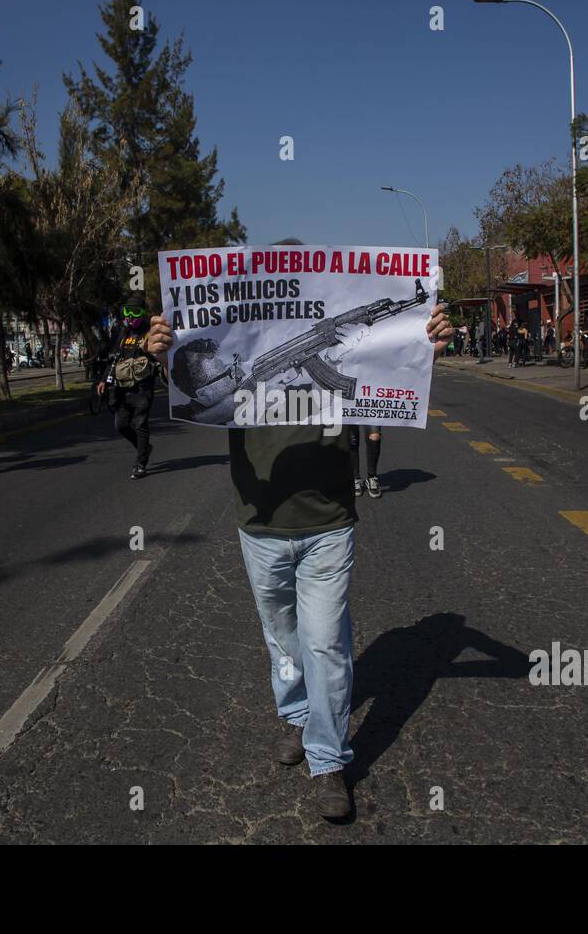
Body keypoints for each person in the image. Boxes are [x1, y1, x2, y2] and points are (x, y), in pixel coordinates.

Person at [141, 269, 453, 820]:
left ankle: (328, 759)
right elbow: (193, 398)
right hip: (260, 523)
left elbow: (384, 375)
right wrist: (164, 356)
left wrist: (424, 342)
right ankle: (298, 715)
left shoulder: (289, 354)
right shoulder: (229, 381)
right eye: (221, 376)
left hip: (329, 517)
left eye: (232, 371)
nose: (233, 375)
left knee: (327, 643)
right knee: (284, 640)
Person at [96, 293, 158, 479]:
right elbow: (114, 358)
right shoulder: (122, 333)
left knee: (139, 424)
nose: (130, 316)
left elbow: (160, 355)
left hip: (142, 388)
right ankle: (145, 447)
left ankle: (140, 464)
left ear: (142, 313)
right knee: (120, 425)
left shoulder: (150, 332)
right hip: (121, 388)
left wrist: (150, 349)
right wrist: (103, 380)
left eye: (135, 312)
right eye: (127, 311)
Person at [349, 426, 382, 499]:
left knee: (374, 437)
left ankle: (372, 477)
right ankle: (355, 478)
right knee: (351, 439)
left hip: (371, 414)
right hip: (352, 415)